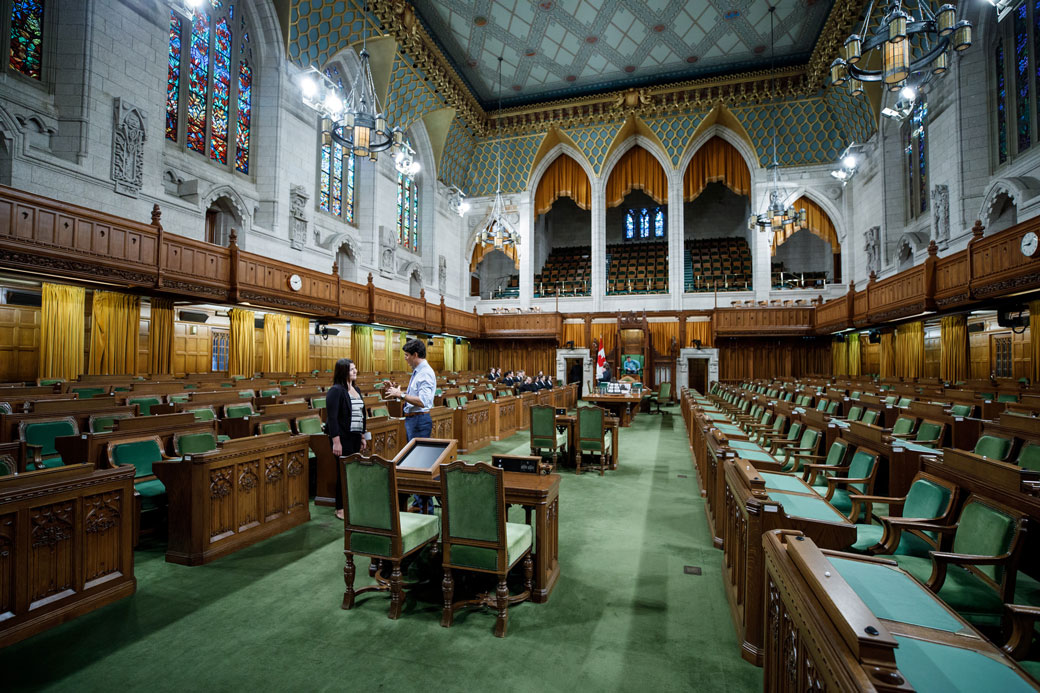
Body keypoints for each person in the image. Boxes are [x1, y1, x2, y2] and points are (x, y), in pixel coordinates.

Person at [385, 338, 437, 512]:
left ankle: (425, 507)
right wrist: (398, 392)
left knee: (420, 465)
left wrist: (400, 395)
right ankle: (418, 503)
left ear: (415, 355)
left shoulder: (425, 373)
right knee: (414, 463)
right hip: (413, 420)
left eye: (407, 356)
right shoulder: (418, 371)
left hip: (419, 421)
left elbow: (423, 401)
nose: (405, 359)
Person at [326, 358, 369, 521]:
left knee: (352, 471)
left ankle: (350, 504)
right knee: (342, 472)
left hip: (354, 436)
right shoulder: (336, 390)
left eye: (355, 368)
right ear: (343, 372)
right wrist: (336, 441)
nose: (355, 371)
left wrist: (363, 435)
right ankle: (340, 507)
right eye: (352, 369)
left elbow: (361, 414)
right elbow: (332, 418)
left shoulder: (356, 388)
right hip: (341, 438)